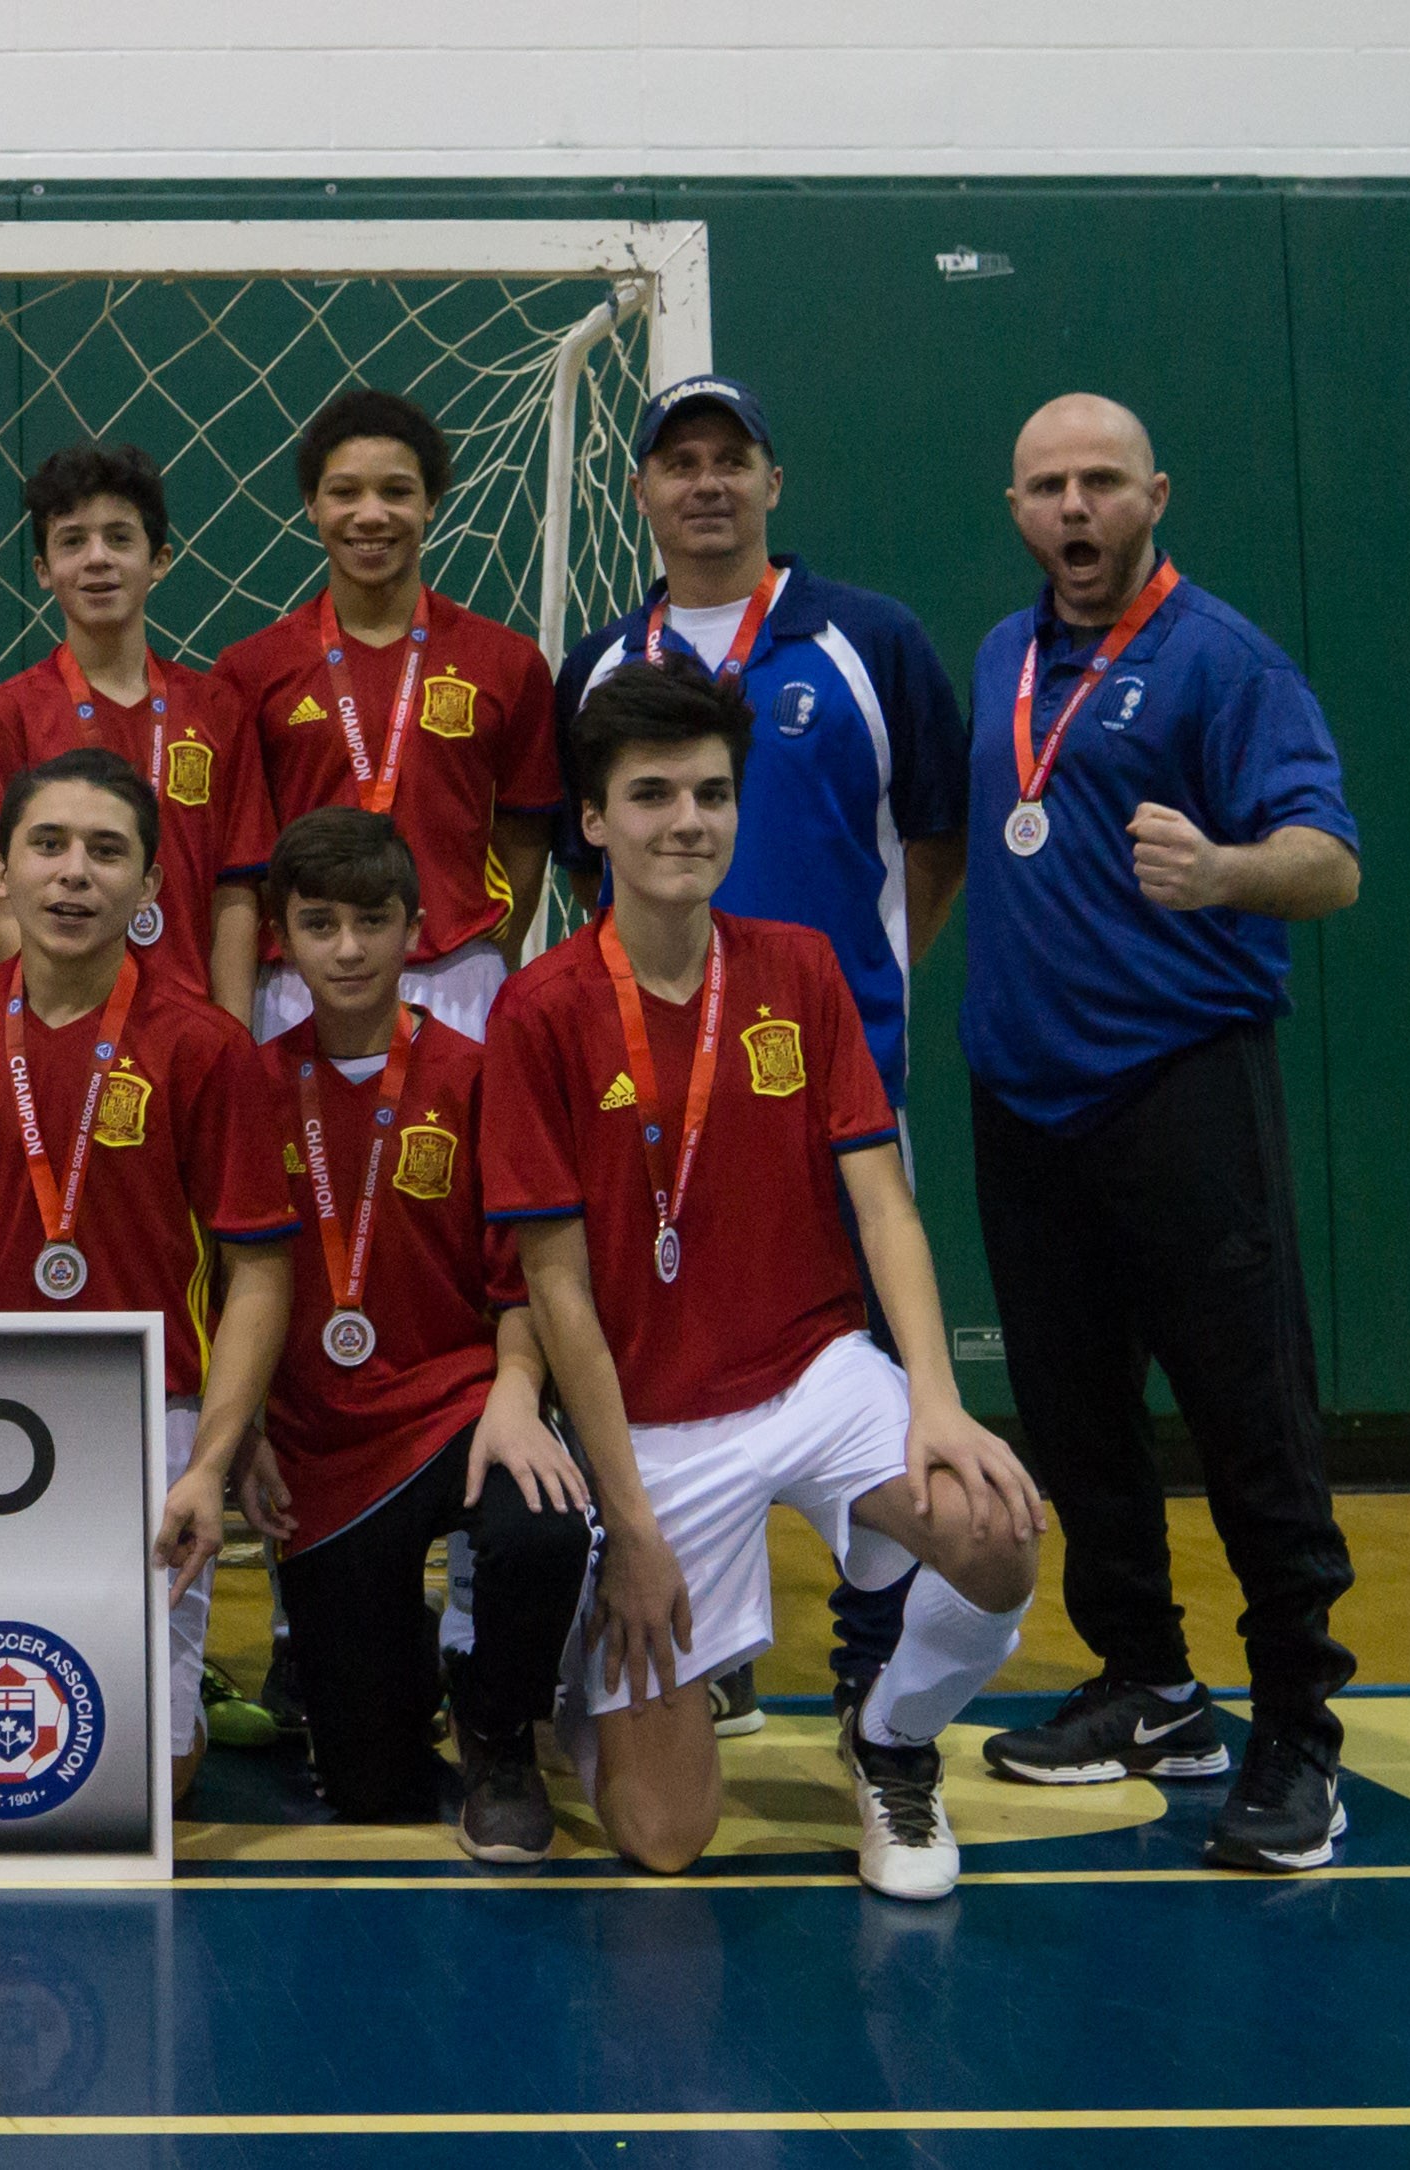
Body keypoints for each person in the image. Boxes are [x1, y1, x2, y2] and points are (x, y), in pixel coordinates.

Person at [482, 655, 1043, 1900]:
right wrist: (629, 1526)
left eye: (713, 793)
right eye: (652, 795)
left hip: (813, 1371)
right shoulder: (537, 1011)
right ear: (593, 820)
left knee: (998, 1532)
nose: (688, 820)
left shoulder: (798, 967)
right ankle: (594, 1660)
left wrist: (936, 1400)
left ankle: (892, 1742)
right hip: (657, 1424)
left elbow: (884, 1204)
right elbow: (557, 1289)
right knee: (667, 1836)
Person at [961, 394, 1363, 1873]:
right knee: (1075, 1421)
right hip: (1023, 1108)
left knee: (1248, 1421)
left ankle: (1295, 1732)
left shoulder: (1222, 661)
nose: (1072, 509)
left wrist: (1224, 867)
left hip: (1179, 1091)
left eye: (1100, 484)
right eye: (1046, 486)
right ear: (1012, 505)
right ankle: (1148, 1685)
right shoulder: (1005, 656)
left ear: (1153, 496)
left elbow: (1328, 865)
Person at [557, 374, 974, 1736]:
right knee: (678, 1351)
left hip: (830, 1082)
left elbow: (931, 839)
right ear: (640, 494)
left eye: (729, 458)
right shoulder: (601, 666)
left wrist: (856, 985)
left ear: (769, 480)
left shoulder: (868, 638)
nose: (704, 483)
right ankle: (710, 1646)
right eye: (676, 462)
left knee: (854, 1365)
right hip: (657, 1098)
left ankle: (870, 1671)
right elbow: (589, 878)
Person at [0, 747, 295, 1801]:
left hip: (153, 1414)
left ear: (148, 886)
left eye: (105, 851)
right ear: (0, 874)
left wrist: (212, 1461)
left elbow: (257, 1275)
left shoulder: (207, 1046)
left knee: (146, 1783)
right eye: (48, 844)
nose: (74, 873)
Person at [237, 807, 594, 1860]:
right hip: (315, 1443)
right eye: (319, 923)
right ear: (282, 937)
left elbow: (523, 1272)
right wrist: (245, 1431)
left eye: (372, 920)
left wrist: (518, 1396)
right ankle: (400, 1685)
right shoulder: (249, 1086)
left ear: (415, 926)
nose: (348, 948)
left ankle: (498, 1730)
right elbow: (217, 1282)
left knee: (544, 1516)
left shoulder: (483, 1073)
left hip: (454, 1406)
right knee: (372, 1789)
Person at [214, 387, 560, 1040]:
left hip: (457, 971)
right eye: (344, 493)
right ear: (311, 506)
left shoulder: (507, 662)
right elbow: (238, 860)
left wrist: (488, 951)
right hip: (298, 977)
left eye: (396, 492)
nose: (370, 515)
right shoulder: (248, 671)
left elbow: (525, 834)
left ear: (430, 503)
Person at [0, 440, 271, 1020]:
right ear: (43, 572)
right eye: (73, 541)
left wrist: (229, 1032)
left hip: (190, 1031)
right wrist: (70, 1012)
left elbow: (235, 894)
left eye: (119, 538)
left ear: (161, 560)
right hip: (62, 1026)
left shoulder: (219, 710)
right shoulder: (5, 715)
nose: (97, 559)